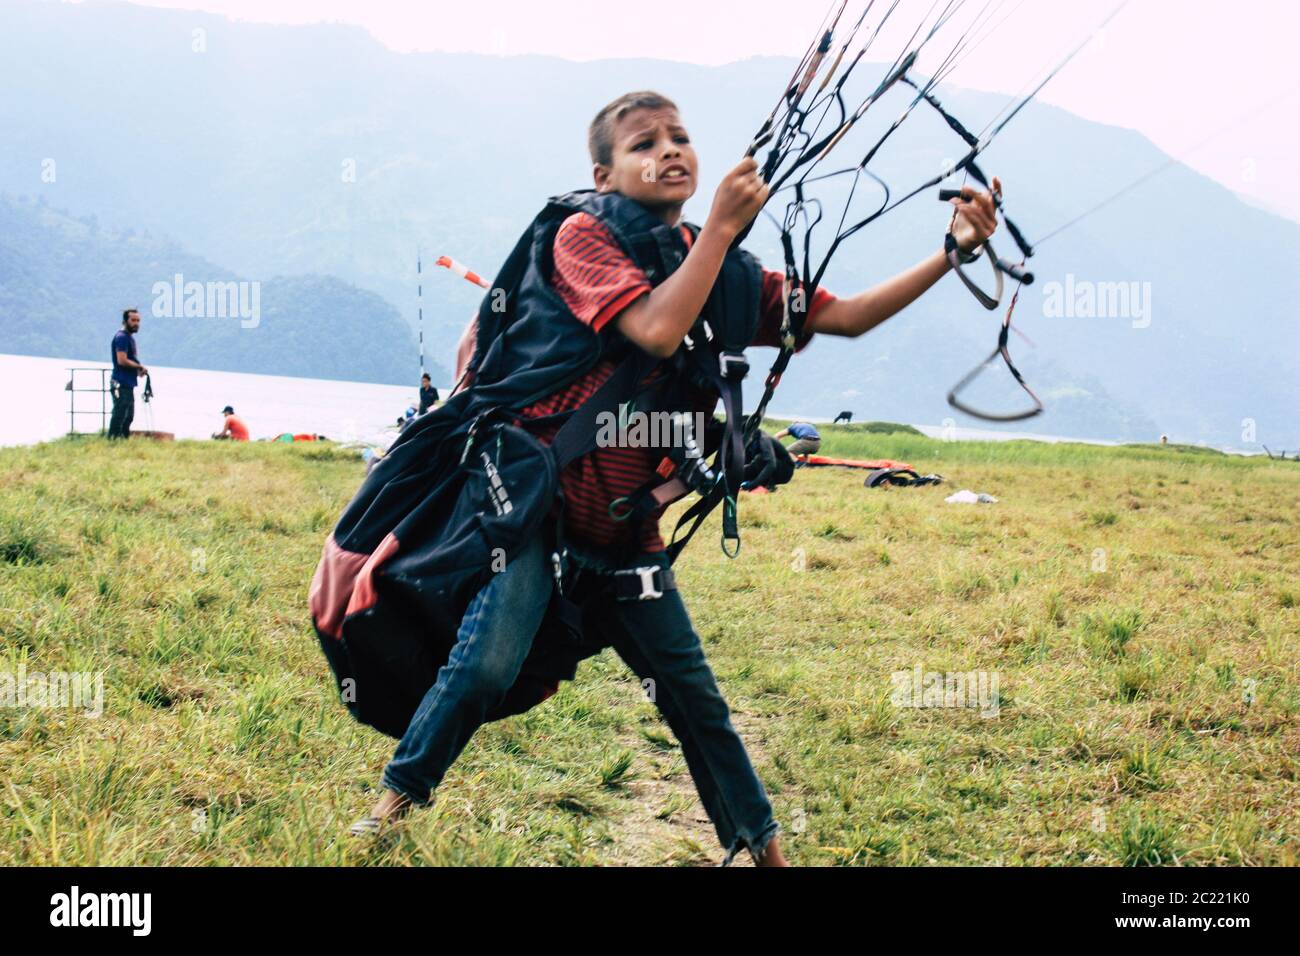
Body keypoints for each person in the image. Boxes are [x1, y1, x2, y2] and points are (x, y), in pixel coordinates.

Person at [350, 90, 1003, 866]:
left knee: (694, 696)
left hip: (627, 534)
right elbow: (656, 331)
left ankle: (763, 852)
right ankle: (392, 806)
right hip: (536, 512)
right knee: (486, 661)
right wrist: (723, 229)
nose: (668, 152)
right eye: (643, 144)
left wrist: (954, 249)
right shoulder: (581, 238)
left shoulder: (727, 274)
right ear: (604, 173)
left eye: (680, 138)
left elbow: (849, 316)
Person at [108, 309, 147, 440]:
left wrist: (137, 370)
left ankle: (123, 441)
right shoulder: (121, 337)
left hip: (128, 383)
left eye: (138, 320)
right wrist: (139, 366)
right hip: (120, 382)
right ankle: (112, 441)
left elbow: (130, 360)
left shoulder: (129, 338)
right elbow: (122, 360)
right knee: (120, 414)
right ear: (125, 321)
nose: (136, 323)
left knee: (128, 416)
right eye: (133, 320)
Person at [741, 430, 795, 494]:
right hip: (772, 466)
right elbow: (744, 464)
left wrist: (752, 484)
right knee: (741, 471)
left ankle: (769, 486)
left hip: (785, 471)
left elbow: (771, 464)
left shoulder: (763, 439)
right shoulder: (748, 442)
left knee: (761, 458)